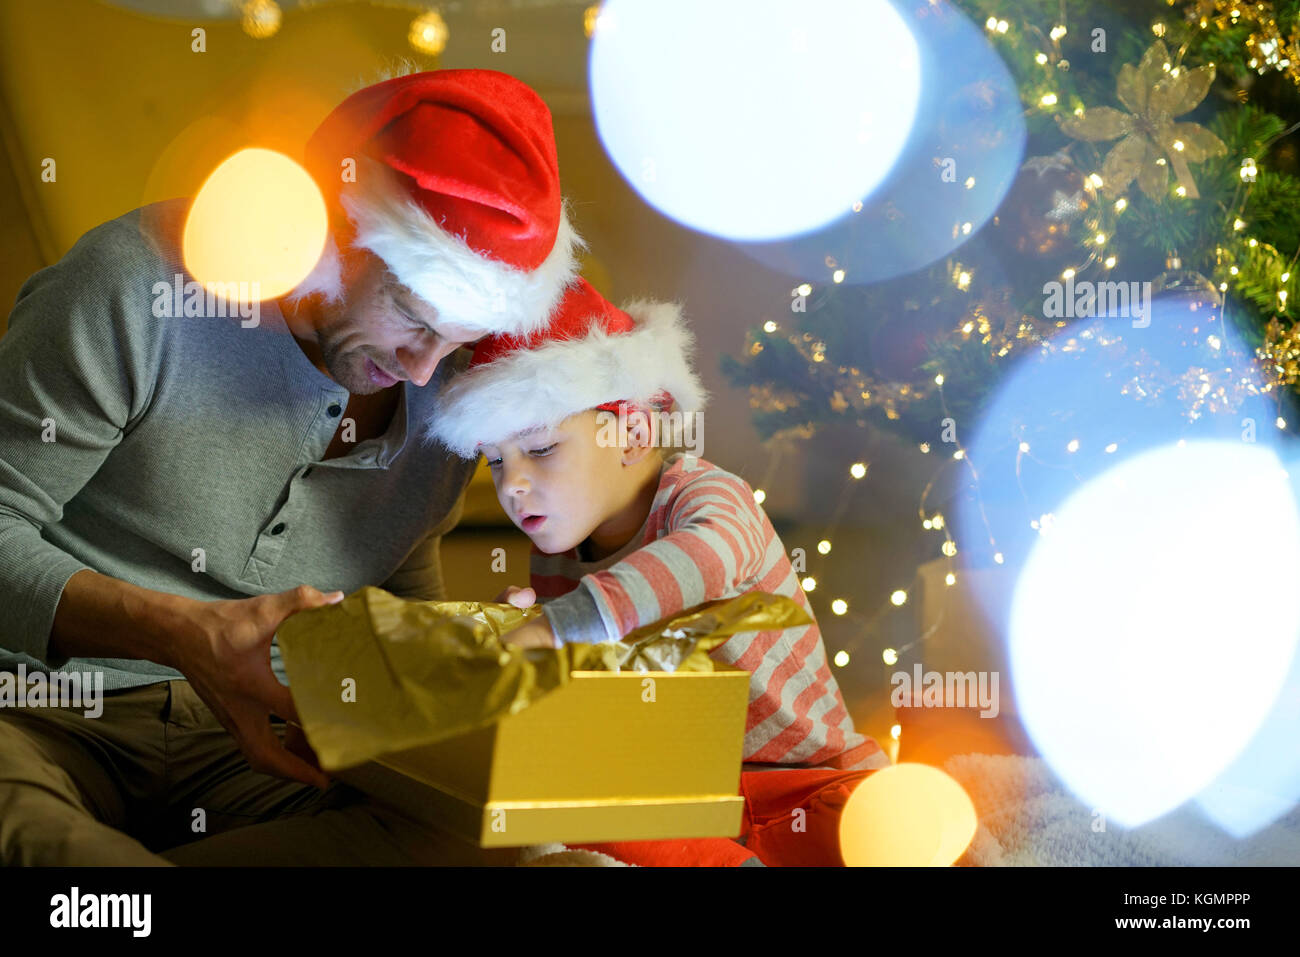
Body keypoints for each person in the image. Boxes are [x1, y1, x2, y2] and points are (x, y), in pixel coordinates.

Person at [0, 68, 589, 866]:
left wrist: (466, 652)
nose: (424, 371)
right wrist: (181, 632)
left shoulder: (456, 382)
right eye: (413, 320)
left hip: (268, 749)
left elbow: (397, 567)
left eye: (454, 340)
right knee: (45, 842)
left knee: (494, 841)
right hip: (39, 711)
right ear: (330, 238)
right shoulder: (133, 287)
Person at [425, 277, 891, 774]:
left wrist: (556, 630)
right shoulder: (557, 550)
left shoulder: (705, 498)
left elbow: (703, 560)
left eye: (540, 448)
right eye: (494, 461)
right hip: (685, 780)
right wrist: (514, 634)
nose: (512, 483)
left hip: (808, 779)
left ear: (632, 435)